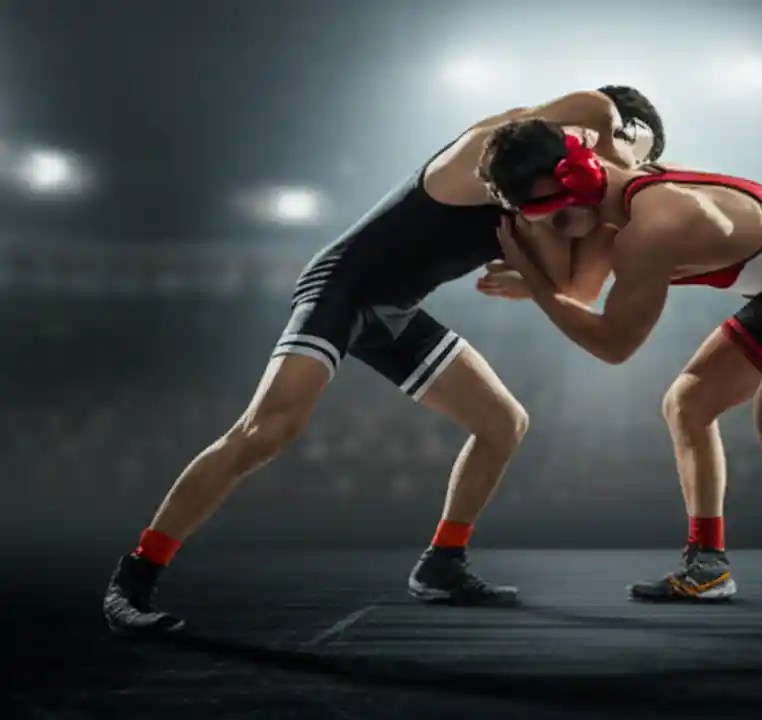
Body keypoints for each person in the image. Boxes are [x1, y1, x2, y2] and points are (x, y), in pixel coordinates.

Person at [102, 86, 666, 635]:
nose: (549, 216)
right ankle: (133, 580)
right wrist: (606, 181)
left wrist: (550, 260)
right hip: (342, 287)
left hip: (393, 307)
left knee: (503, 424)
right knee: (264, 431)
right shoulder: (500, 151)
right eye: (537, 206)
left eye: (560, 205)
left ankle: (442, 564)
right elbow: (566, 267)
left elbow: (574, 290)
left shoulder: (551, 185)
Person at [477, 118, 762, 613]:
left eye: (558, 220)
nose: (554, 235)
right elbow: (583, 288)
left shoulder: (654, 226)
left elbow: (613, 345)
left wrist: (538, 288)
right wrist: (539, 280)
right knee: (686, 404)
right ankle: (707, 566)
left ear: (580, 180)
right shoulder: (618, 192)